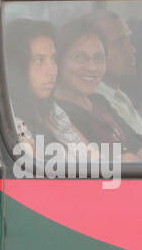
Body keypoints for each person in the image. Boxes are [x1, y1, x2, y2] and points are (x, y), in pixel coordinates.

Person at [52, 19, 142, 161]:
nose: (92, 68)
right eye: (80, 57)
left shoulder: (98, 101)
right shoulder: (55, 112)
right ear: (59, 60)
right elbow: (104, 165)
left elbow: (139, 144)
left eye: (98, 58)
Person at [5, 18, 90, 159]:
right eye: (39, 60)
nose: (51, 71)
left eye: (53, 60)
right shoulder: (12, 120)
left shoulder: (52, 110)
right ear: (18, 67)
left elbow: (94, 158)